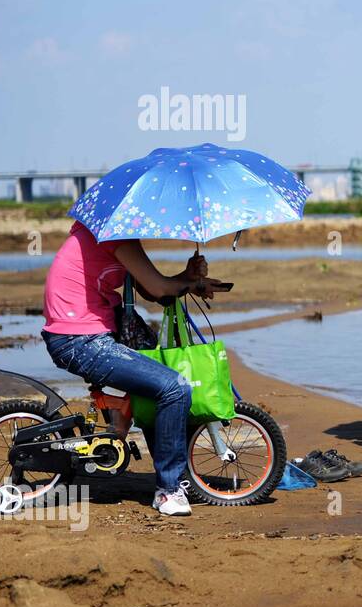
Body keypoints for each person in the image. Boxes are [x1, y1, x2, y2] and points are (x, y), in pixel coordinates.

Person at [40, 221, 227, 516]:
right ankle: (167, 490)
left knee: (158, 385)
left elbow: (154, 291)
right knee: (174, 387)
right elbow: (159, 288)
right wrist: (193, 285)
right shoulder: (117, 239)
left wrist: (186, 277)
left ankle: (172, 473)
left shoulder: (115, 238)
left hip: (86, 333)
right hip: (80, 340)